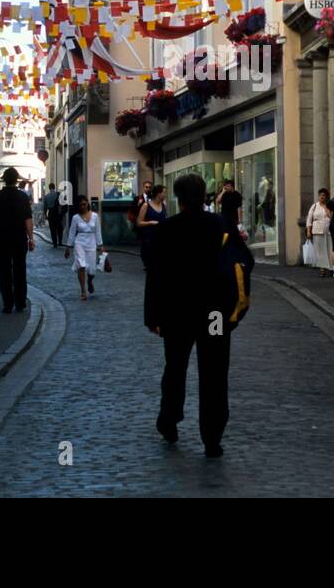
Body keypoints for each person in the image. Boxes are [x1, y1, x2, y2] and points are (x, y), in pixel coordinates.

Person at [145, 172, 232, 458]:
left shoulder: (166, 229)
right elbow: (240, 266)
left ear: (178, 198)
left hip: (177, 311)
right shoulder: (218, 225)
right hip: (214, 313)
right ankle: (212, 438)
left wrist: (153, 315)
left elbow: (156, 274)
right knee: (214, 374)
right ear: (204, 195)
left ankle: (169, 419)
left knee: (175, 369)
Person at [0, 167, 35, 313]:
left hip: (2, 238)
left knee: (4, 271)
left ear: (4, 179)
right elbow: (28, 219)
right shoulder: (23, 197)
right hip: (19, 238)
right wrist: (31, 238)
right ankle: (20, 302)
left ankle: (7, 303)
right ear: (16, 180)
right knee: (20, 270)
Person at [65, 195, 103, 302]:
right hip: (79, 242)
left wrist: (101, 245)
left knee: (91, 270)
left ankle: (90, 281)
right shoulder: (75, 218)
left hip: (91, 243)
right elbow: (72, 232)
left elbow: (98, 232)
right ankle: (83, 291)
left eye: (84, 204)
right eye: (80, 205)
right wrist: (68, 246)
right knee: (81, 265)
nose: (82, 206)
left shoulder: (95, 216)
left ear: (87, 204)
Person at [135, 183, 168, 272]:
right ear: (158, 194)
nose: (165, 195)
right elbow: (139, 222)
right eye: (164, 193)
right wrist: (150, 222)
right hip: (149, 239)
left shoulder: (164, 205)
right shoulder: (146, 205)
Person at [305, 188, 333, 278]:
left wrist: (326, 208)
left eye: (324, 195)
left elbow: (331, 217)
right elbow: (309, 220)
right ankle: (322, 269)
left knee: (329, 249)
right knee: (320, 251)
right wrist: (309, 231)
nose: (322, 197)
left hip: (328, 231)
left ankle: (330, 268)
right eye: (321, 195)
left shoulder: (329, 206)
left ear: (327, 197)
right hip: (317, 231)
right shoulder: (314, 206)